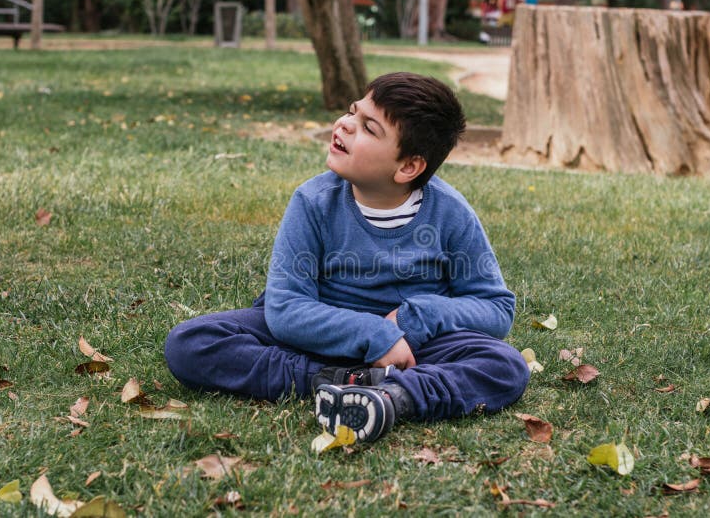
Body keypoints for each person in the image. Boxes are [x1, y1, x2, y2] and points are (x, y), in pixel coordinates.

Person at [165, 72, 529, 444]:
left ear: (408, 167)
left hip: (412, 348)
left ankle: (394, 396)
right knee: (191, 342)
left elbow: (495, 307)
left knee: (505, 365)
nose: (345, 124)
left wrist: (417, 318)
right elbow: (286, 307)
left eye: (369, 128)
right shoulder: (313, 202)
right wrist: (373, 335)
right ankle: (336, 381)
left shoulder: (450, 212)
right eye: (353, 112)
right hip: (319, 335)